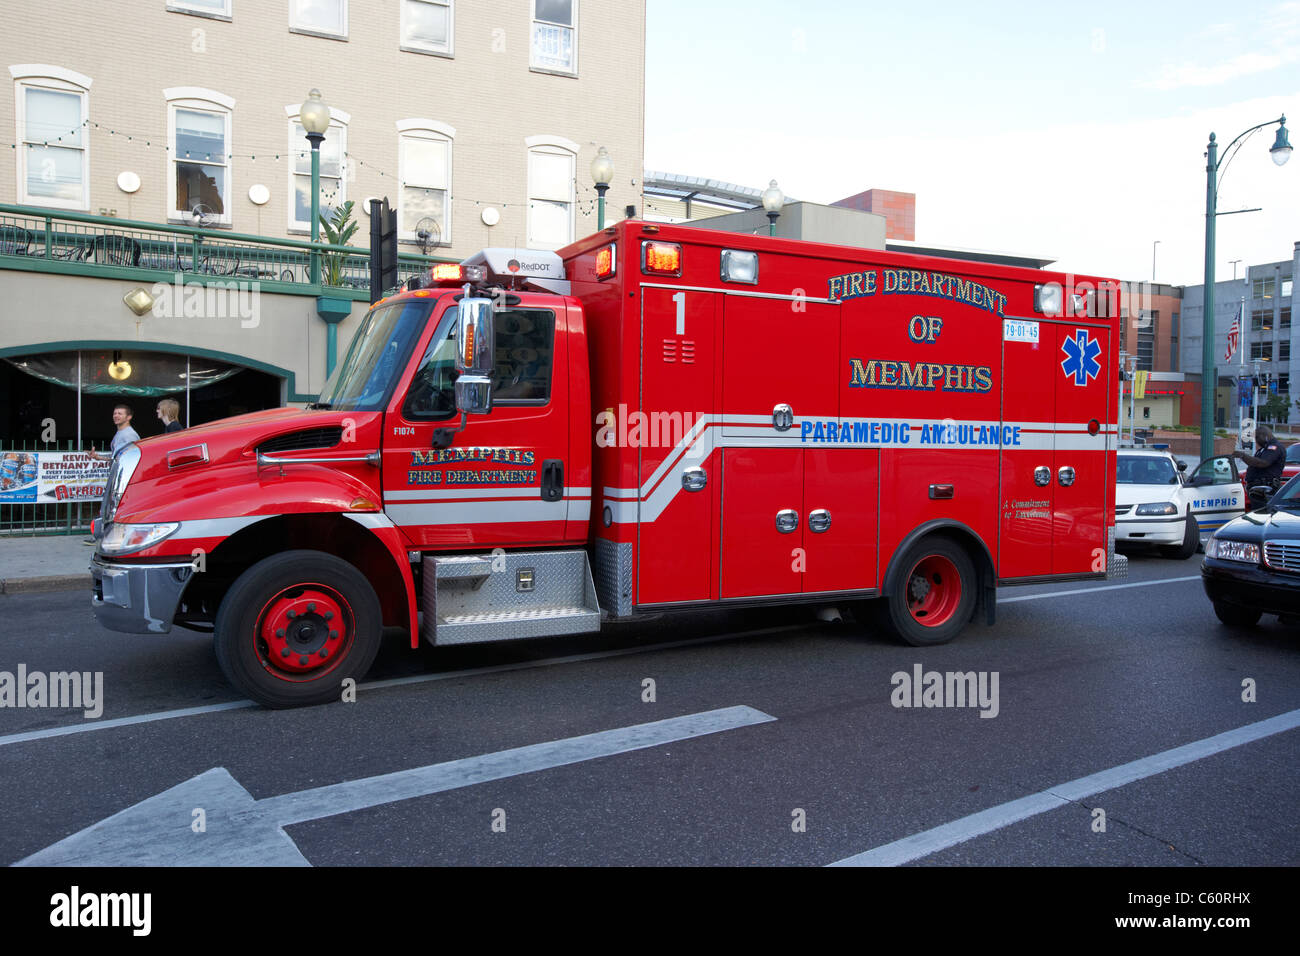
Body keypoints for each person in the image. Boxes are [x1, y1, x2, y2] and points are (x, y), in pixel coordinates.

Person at [85, 404, 141, 544]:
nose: (116, 416)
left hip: (122, 477)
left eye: (120, 413)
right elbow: (116, 455)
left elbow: (129, 457)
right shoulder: (121, 433)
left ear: (129, 417)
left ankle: (110, 536)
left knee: (115, 505)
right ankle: (106, 534)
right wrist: (98, 457)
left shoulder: (129, 434)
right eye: (115, 413)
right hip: (118, 475)